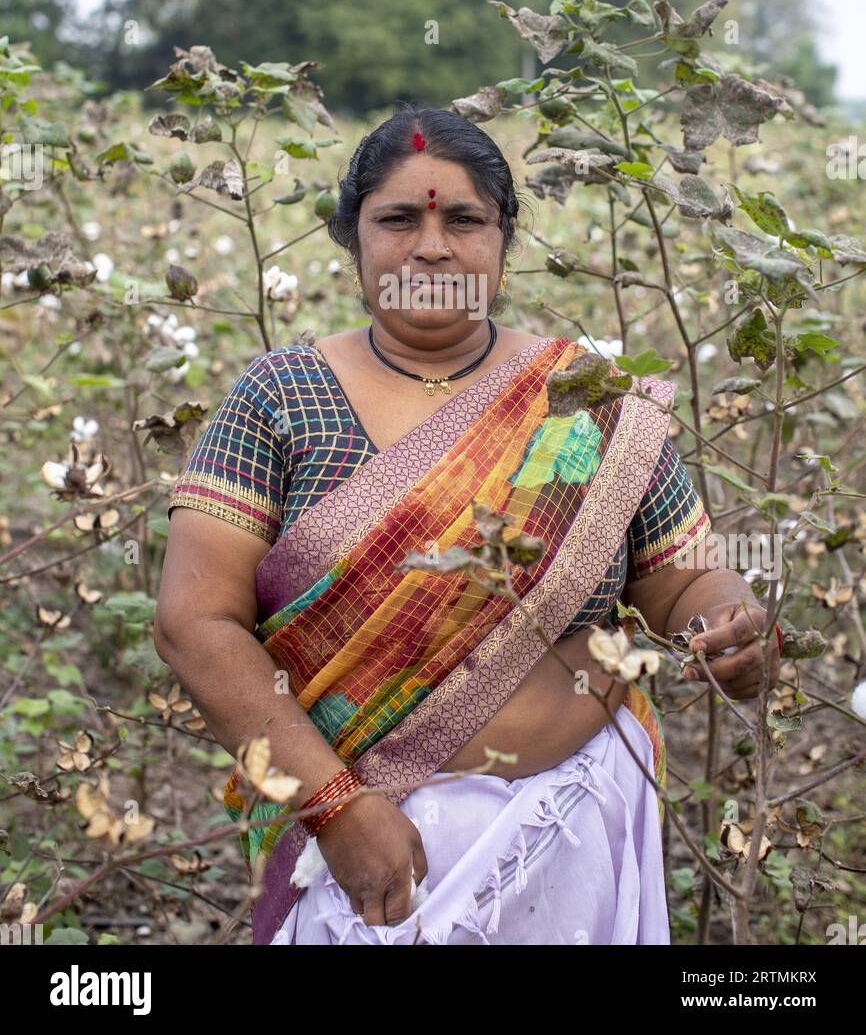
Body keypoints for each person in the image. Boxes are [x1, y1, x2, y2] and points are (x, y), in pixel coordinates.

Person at [154, 104, 780, 946]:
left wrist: (729, 626)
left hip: (574, 832)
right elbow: (196, 622)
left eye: (464, 219)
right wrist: (335, 809)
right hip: (365, 851)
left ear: (504, 239)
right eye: (398, 219)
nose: (433, 245)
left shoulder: (586, 397)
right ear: (353, 239)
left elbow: (684, 578)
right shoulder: (280, 397)